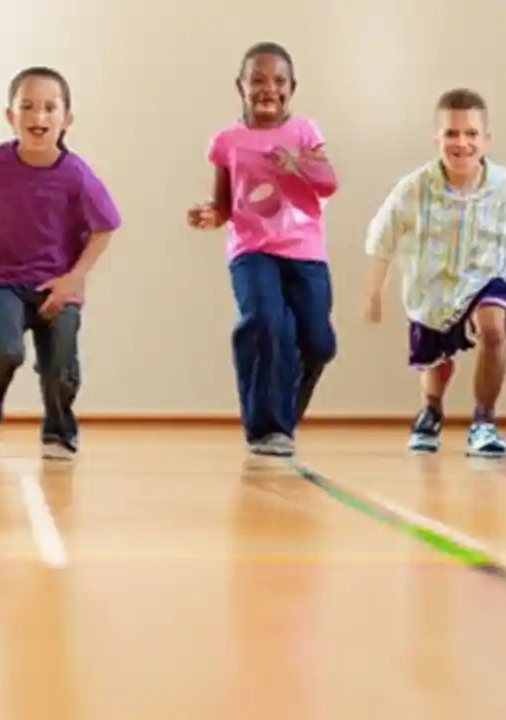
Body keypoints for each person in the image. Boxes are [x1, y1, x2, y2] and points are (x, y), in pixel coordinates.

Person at [363, 88, 506, 457]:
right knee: (437, 361)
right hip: (433, 283)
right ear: (436, 137)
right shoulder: (414, 188)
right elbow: (382, 237)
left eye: (471, 134)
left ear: (486, 139)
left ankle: (484, 420)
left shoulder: (504, 186)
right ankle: (431, 409)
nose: (461, 143)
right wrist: (374, 291)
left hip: (488, 273)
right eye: (451, 134)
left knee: (493, 328)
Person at [0, 66, 121, 460]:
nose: (38, 118)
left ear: (66, 119)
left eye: (49, 108)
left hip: (56, 285)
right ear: (11, 116)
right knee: (5, 349)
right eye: (27, 107)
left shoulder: (76, 175)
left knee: (60, 364)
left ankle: (59, 431)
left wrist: (73, 279)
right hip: (3, 280)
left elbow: (105, 227)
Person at [187, 41, 338, 457]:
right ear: (240, 87)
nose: (267, 88)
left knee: (319, 343)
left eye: (278, 80)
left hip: (305, 252)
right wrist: (209, 215)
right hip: (252, 250)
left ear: (292, 87)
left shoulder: (305, 132)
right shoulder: (227, 140)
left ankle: (282, 416)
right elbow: (224, 204)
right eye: (257, 80)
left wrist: (300, 163)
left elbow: (329, 183)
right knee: (266, 322)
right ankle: (266, 428)